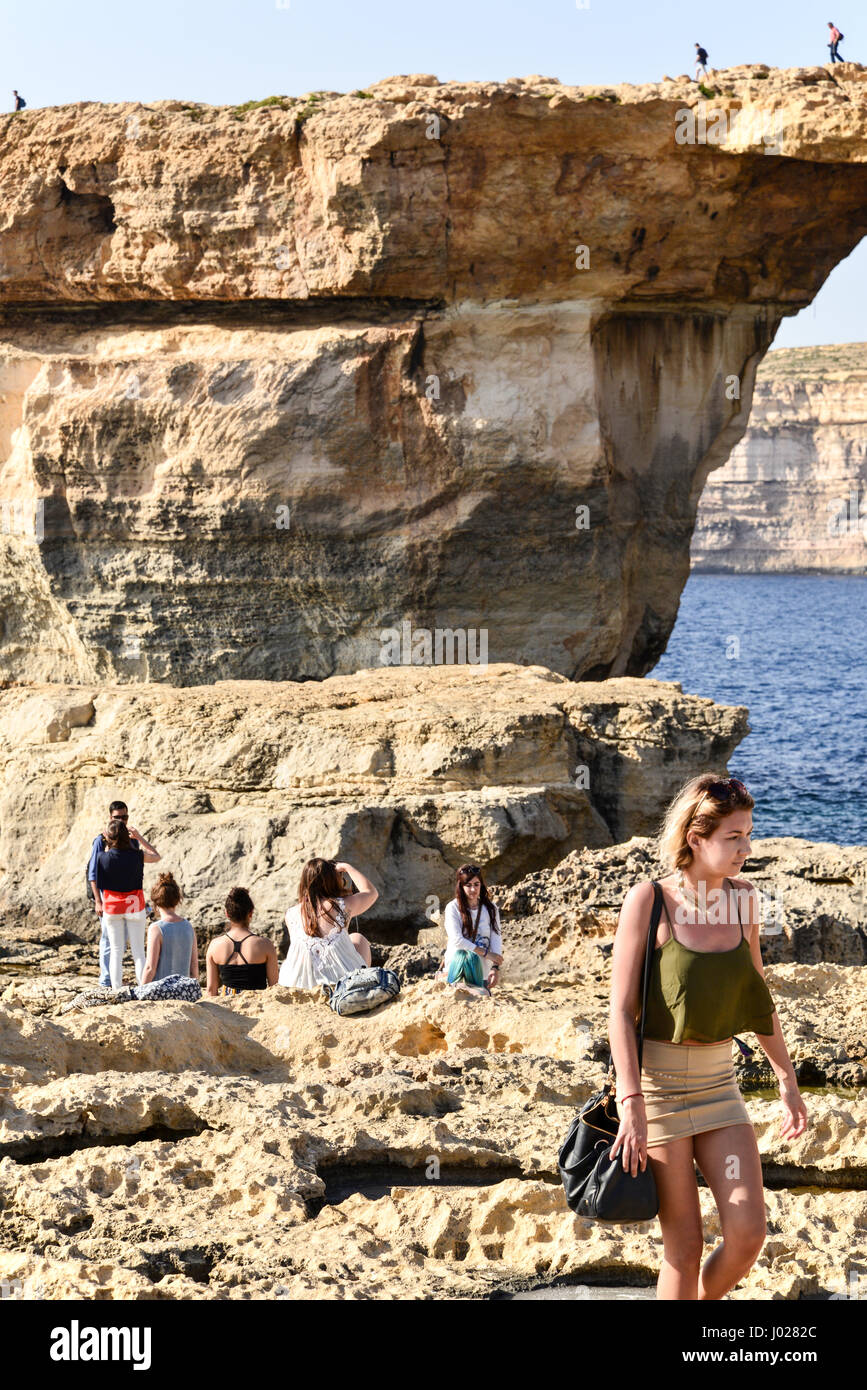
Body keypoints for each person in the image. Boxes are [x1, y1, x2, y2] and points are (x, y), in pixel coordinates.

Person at [608, 774, 807, 1301]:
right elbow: (621, 1010)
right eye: (734, 837)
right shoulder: (649, 901)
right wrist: (631, 1102)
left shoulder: (744, 901)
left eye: (748, 834)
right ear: (696, 838)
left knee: (747, 1235)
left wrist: (786, 1078)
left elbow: (757, 996)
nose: (746, 848)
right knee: (685, 1248)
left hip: (721, 1087)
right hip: (660, 1095)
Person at [278, 859, 377, 989]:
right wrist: (347, 867)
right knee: (358, 938)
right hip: (340, 980)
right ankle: (363, 984)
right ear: (332, 880)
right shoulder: (342, 905)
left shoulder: (290, 914)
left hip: (296, 982)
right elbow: (371, 892)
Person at [95, 818, 161, 988]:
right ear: (127, 836)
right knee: (138, 952)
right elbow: (156, 856)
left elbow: (99, 881)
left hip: (112, 906)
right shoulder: (137, 855)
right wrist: (139, 837)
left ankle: (117, 990)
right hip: (134, 905)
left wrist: (106, 840)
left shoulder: (102, 857)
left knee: (117, 951)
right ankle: (142, 988)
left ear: (108, 838)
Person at [88, 800, 142, 986]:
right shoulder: (101, 841)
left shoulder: (131, 840)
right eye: (117, 817)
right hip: (108, 897)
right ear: (110, 818)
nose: (122, 820)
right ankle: (106, 981)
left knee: (127, 943)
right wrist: (98, 900)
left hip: (130, 899)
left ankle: (119, 981)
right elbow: (93, 873)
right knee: (109, 939)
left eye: (124, 817)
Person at [440, 864, 504, 995]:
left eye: (476, 884)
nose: (473, 889)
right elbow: (457, 940)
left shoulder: (491, 908)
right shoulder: (453, 908)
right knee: (474, 994)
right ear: (461, 886)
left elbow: (496, 937)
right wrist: (487, 954)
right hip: (459, 965)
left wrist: (495, 967)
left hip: (482, 971)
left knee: (483, 994)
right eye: (468, 885)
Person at [206, 887, 278, 996]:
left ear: (227, 913)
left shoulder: (215, 945)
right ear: (250, 913)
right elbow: (274, 987)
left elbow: (211, 990)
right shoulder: (265, 945)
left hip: (226, 1006)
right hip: (258, 1005)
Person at [141, 872, 198, 984]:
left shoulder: (156, 928)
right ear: (177, 901)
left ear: (156, 903)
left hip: (162, 990)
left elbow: (150, 968)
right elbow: (194, 965)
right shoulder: (188, 927)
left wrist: (140, 990)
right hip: (183, 990)